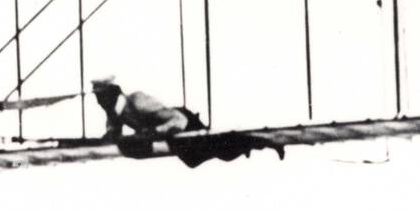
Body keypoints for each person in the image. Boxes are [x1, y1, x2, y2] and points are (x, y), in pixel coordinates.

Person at [90, 77, 284, 167]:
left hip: (185, 124)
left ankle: (263, 142)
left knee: (221, 150)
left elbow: (177, 119)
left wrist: (153, 132)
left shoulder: (137, 101)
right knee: (195, 159)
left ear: (112, 96)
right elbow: (113, 134)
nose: (99, 103)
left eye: (101, 98)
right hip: (173, 133)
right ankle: (249, 145)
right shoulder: (114, 112)